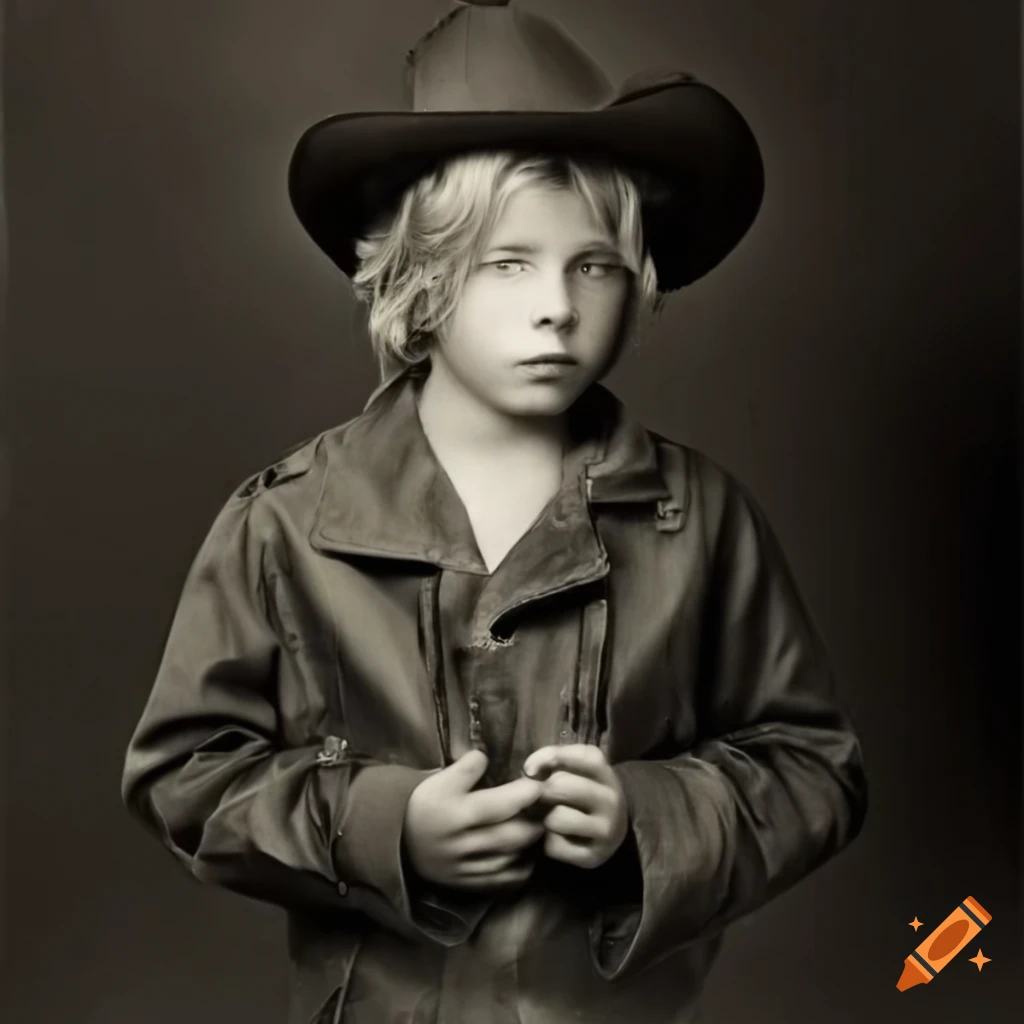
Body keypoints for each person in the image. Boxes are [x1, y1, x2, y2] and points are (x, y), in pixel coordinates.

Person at [121, 3, 868, 1023]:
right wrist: (385, 824)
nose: (556, 304)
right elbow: (187, 773)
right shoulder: (284, 522)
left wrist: (645, 817)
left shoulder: (701, 519)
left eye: (593, 263)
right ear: (421, 279)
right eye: (506, 262)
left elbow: (811, 766)